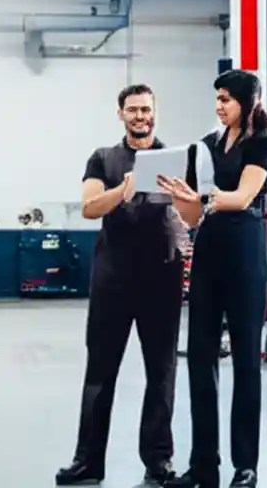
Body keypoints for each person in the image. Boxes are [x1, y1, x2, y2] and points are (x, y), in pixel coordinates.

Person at [56, 84, 185, 486]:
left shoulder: (177, 160)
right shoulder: (103, 158)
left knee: (161, 373)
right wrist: (123, 189)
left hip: (161, 279)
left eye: (146, 109)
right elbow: (90, 206)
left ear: (155, 111)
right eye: (133, 110)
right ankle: (87, 462)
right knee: (100, 372)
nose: (140, 116)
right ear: (121, 114)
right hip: (112, 279)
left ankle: (158, 462)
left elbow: (192, 211)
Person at [158, 69, 267, 488]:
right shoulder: (205, 146)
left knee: (247, 361)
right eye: (216, 98)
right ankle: (202, 465)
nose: (219, 105)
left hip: (245, 251)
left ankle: (245, 466)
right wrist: (180, 199)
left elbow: (243, 197)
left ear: (248, 101)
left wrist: (202, 199)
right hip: (209, 249)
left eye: (226, 98)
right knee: (200, 359)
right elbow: (194, 215)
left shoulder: (262, 144)